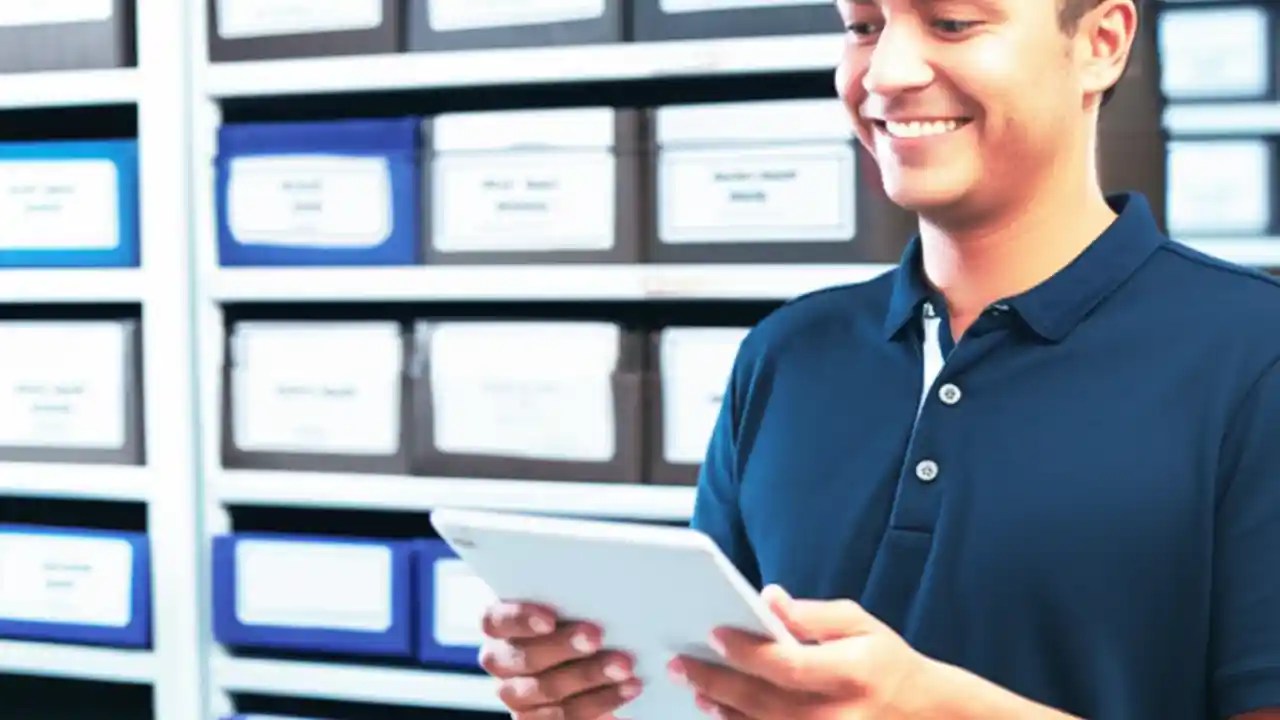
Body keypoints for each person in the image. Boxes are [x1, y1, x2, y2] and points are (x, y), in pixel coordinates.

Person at [476, 0, 1280, 717]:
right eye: (863, 27)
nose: (886, 73)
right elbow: (721, 691)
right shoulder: (785, 354)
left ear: (1100, 44)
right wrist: (604, 699)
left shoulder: (1254, 355)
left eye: (953, 23)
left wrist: (926, 710)